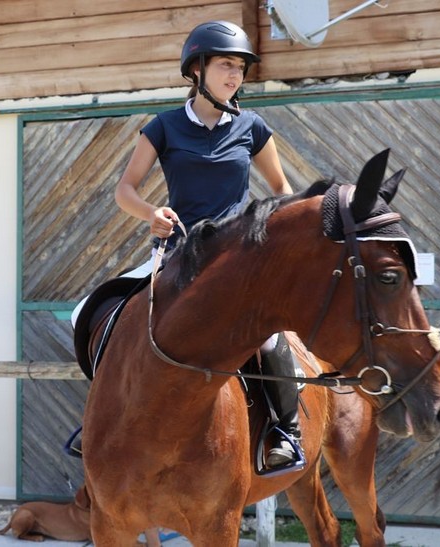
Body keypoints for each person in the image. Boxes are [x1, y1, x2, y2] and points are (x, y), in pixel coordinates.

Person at [112, 20, 301, 469]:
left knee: (270, 340)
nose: (235, 75)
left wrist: (276, 232)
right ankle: (106, 417)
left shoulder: (252, 127)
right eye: (225, 65)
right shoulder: (163, 127)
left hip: (238, 258)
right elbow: (125, 190)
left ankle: (284, 432)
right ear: (197, 70)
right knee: (113, 319)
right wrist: (150, 213)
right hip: (179, 254)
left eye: (240, 68)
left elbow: (281, 189)